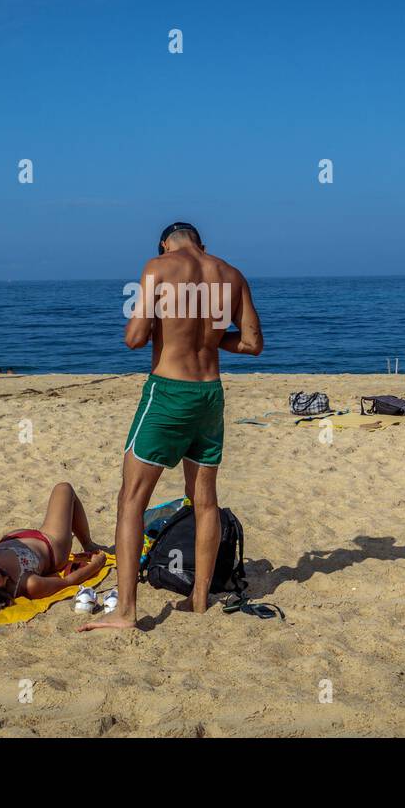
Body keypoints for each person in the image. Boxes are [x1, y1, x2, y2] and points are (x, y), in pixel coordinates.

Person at [79, 221, 262, 632]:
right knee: (204, 501)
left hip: (168, 393)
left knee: (131, 500)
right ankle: (198, 600)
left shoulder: (157, 267)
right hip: (210, 395)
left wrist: (167, 327)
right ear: (201, 244)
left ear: (165, 245)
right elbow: (252, 343)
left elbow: (134, 338)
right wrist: (211, 339)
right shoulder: (231, 275)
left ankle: (125, 611)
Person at [0, 482, 108, 614]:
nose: (1, 566)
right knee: (64, 489)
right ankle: (88, 543)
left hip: (15, 540)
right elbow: (67, 582)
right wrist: (96, 565)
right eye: (5, 575)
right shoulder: (28, 583)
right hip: (50, 544)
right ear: (6, 585)